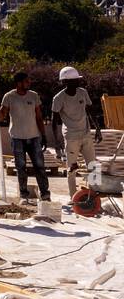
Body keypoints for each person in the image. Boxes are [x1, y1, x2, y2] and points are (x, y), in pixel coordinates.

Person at [51, 66, 101, 201]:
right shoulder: (59, 98)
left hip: (85, 134)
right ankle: (73, 198)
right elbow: (54, 121)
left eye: (77, 80)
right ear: (65, 82)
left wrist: (97, 128)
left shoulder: (83, 92)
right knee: (72, 169)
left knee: (93, 166)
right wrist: (57, 143)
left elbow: (91, 110)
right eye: (74, 80)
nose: (78, 82)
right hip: (71, 137)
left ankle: (93, 195)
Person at [0, 71, 50, 202]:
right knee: (21, 167)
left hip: (34, 137)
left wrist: (43, 135)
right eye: (26, 81)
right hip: (17, 138)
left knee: (40, 166)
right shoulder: (9, 97)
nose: (29, 83)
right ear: (18, 83)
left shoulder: (33, 96)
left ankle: (45, 193)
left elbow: (39, 117)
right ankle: (24, 194)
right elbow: (1, 116)